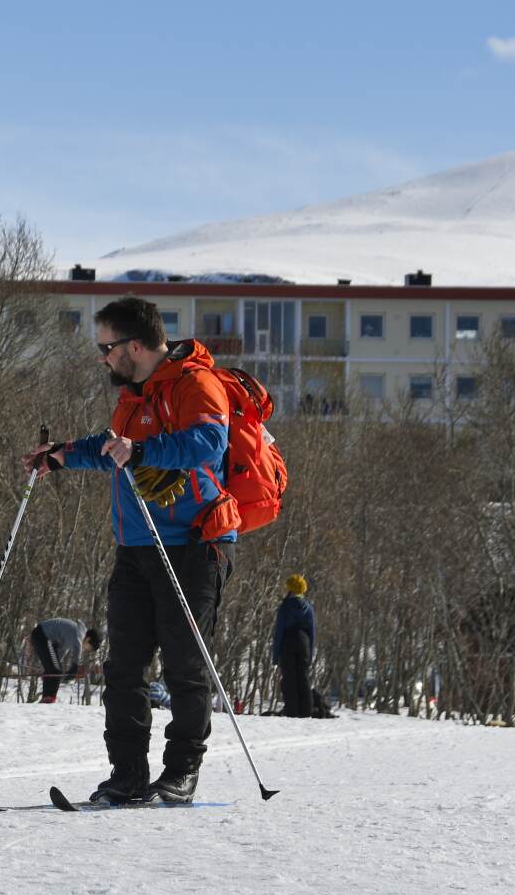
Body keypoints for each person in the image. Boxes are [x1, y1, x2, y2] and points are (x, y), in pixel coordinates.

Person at [22, 296, 238, 805]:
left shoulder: (196, 383)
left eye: (107, 348)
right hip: (137, 546)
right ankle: (127, 776)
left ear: (135, 346)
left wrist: (142, 450)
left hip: (193, 544)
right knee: (123, 668)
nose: (103, 358)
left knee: (184, 664)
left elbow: (209, 443)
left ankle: (181, 773)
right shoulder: (133, 395)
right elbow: (113, 449)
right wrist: (62, 456)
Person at [26, 620, 103, 703]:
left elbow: (60, 652)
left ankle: (47, 697)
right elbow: (77, 648)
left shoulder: (73, 635)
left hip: (41, 636)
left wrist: (52, 668)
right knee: (56, 671)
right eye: (90, 648)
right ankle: (49, 698)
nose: (87, 650)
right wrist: (74, 667)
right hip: (43, 636)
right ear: (88, 639)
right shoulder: (79, 634)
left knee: (54, 670)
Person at [274, 573, 318, 717]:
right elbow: (312, 632)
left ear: (290, 589)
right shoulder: (308, 608)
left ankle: (292, 711)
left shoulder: (285, 607)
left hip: (288, 641)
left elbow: (279, 631)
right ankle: (306, 710)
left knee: (289, 678)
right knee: (304, 677)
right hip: (304, 642)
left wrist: (276, 654)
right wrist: (310, 653)